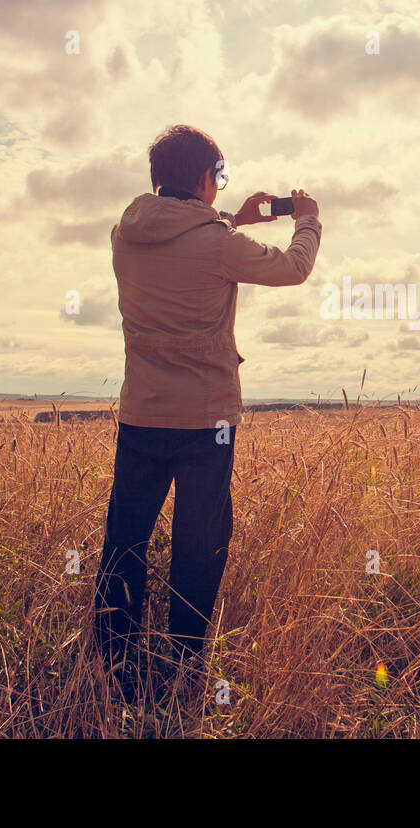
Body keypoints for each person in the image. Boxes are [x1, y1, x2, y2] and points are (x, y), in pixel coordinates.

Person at [94, 124, 321, 698]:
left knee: (126, 539)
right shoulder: (220, 244)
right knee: (199, 542)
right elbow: (293, 268)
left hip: (141, 412)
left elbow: (182, 239)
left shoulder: (123, 234)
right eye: (220, 176)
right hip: (206, 422)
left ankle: (115, 664)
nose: (222, 187)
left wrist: (232, 219)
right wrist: (308, 220)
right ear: (202, 177)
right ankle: (182, 668)